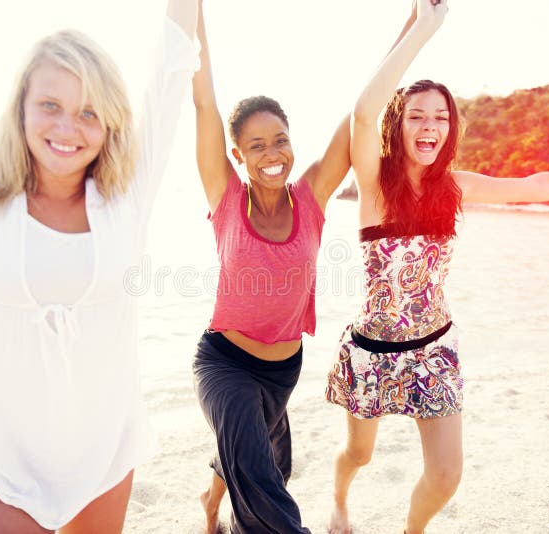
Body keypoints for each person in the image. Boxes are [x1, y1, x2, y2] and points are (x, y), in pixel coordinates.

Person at [0, 2, 198, 531]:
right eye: (50, 104)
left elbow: (170, 66)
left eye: (90, 111)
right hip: (2, 459)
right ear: (20, 106)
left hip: (103, 451)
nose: (68, 127)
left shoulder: (129, 190)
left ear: (110, 121)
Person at [324, 1, 549, 533]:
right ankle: (339, 501)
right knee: (358, 455)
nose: (430, 126)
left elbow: (531, 187)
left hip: (434, 350)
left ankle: (412, 531)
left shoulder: (455, 188)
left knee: (447, 476)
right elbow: (362, 111)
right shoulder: (376, 183)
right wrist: (423, 29)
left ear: (451, 129)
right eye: (417, 115)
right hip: (373, 351)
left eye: (441, 117)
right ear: (398, 125)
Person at [189, 2, 445, 533]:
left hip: (283, 369)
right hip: (224, 362)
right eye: (255, 145)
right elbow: (203, 101)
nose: (272, 153)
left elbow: (363, 111)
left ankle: (210, 504)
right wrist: (193, 12)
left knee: (262, 460)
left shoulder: (311, 196)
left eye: (279, 139)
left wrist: (415, 24)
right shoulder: (226, 199)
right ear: (237, 156)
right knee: (260, 476)